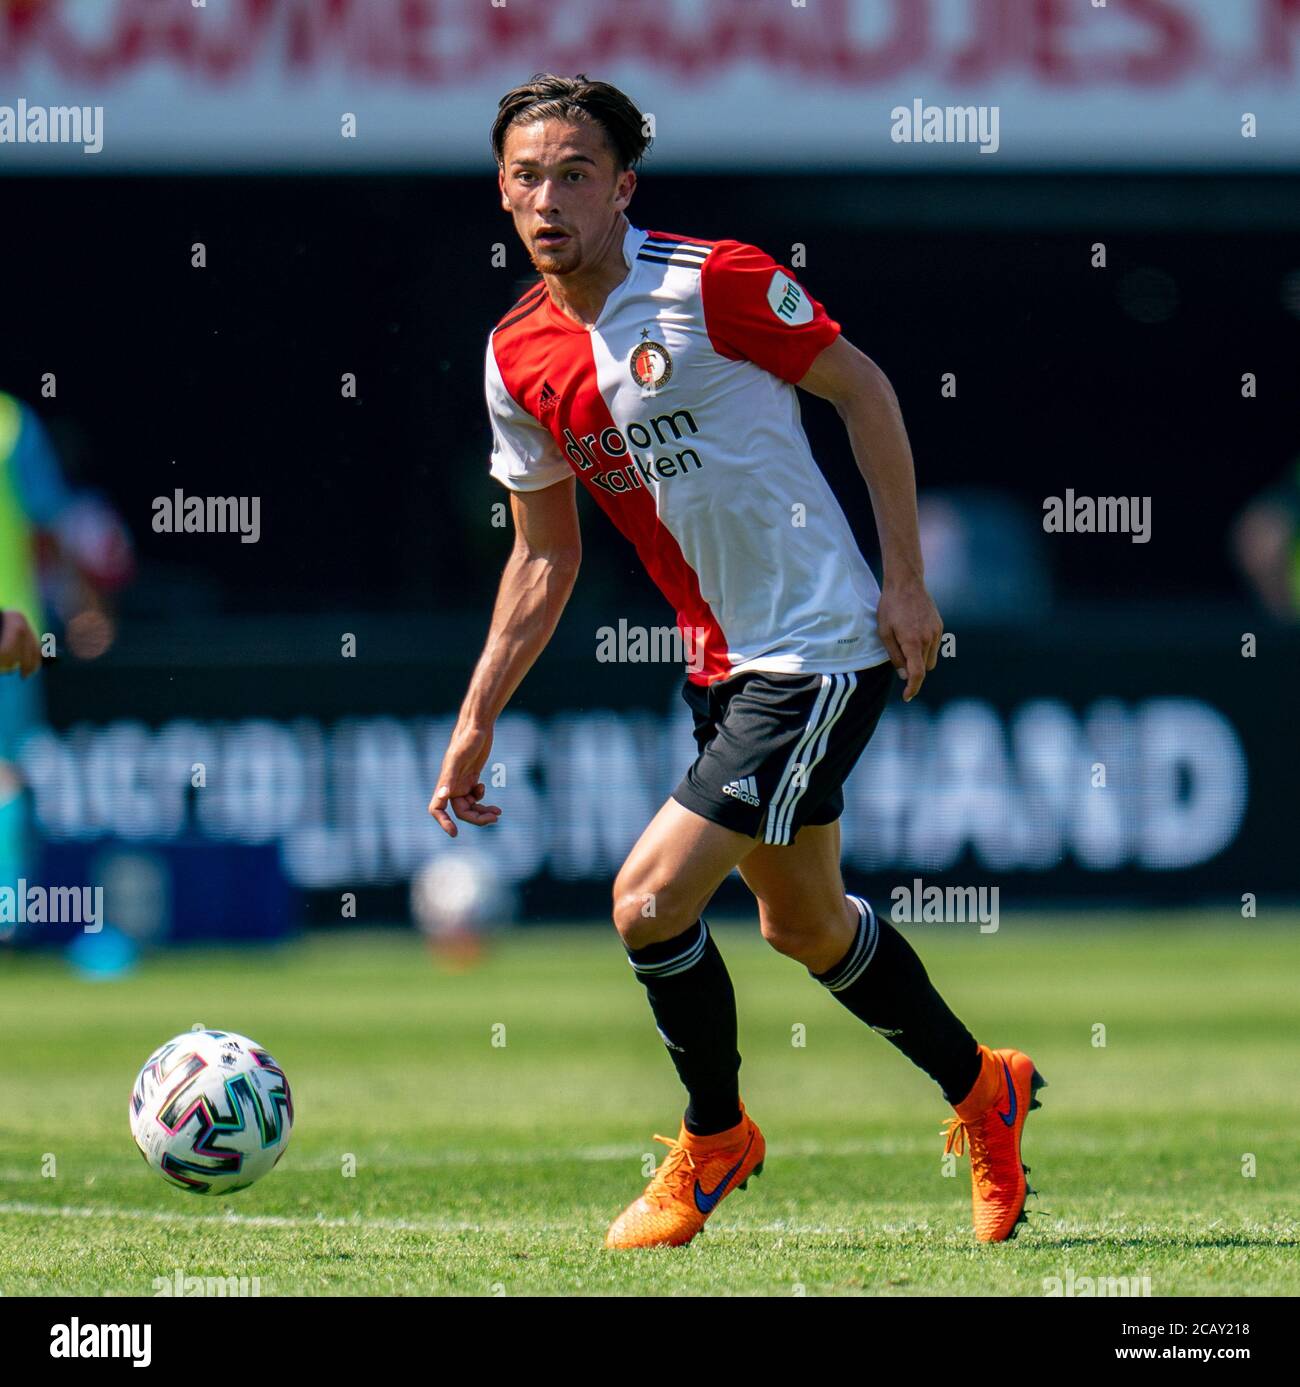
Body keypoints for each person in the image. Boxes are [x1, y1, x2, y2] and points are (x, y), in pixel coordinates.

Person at [429, 74, 1044, 1250]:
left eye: (573, 172)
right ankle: (985, 1089)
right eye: (525, 175)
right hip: (723, 666)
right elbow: (542, 559)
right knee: (805, 929)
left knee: (648, 900)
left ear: (623, 186)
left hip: (817, 649)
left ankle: (715, 1139)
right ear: (500, 192)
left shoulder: (710, 281)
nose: (547, 196)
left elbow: (863, 389)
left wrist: (905, 580)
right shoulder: (516, 355)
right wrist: (476, 717)